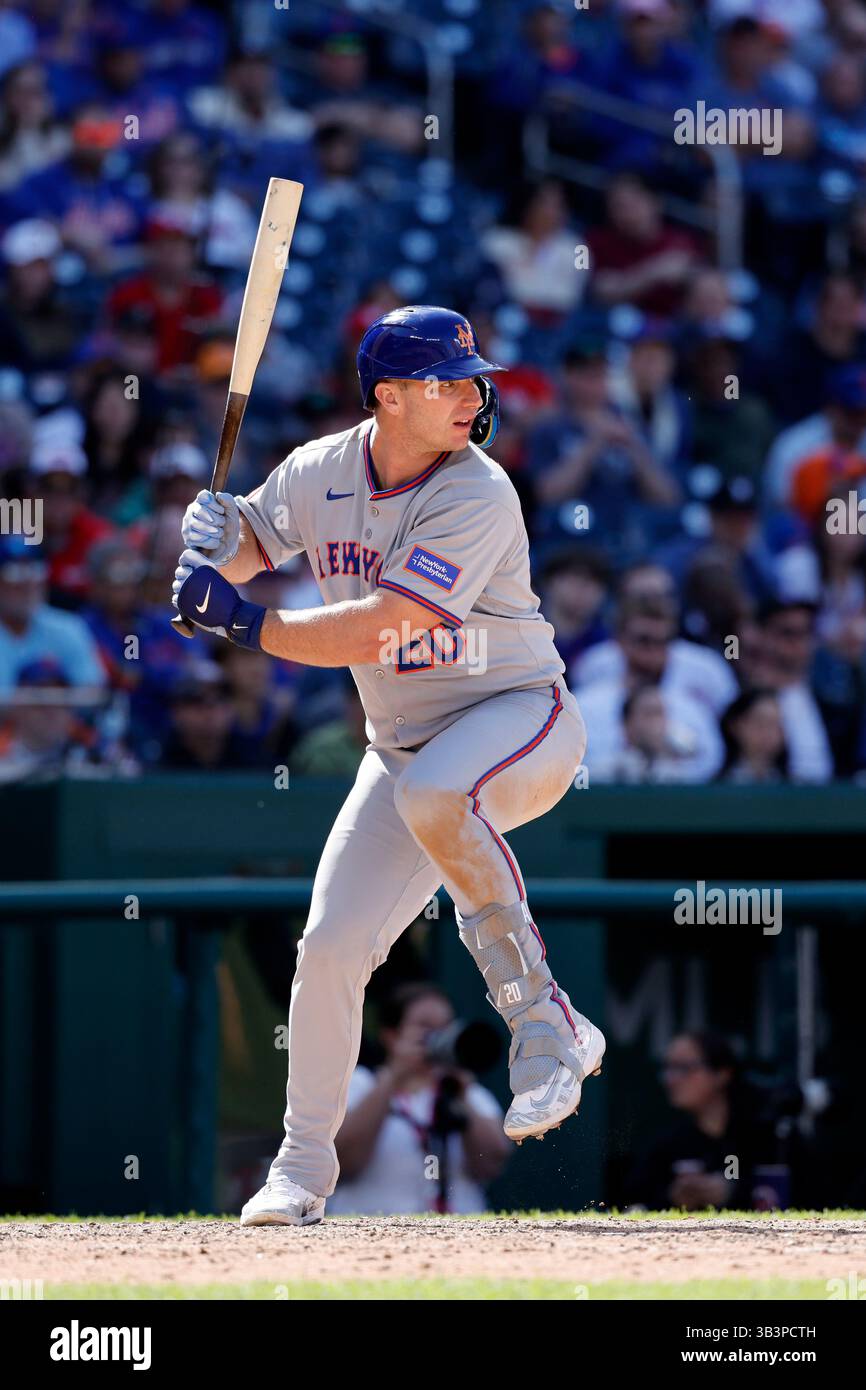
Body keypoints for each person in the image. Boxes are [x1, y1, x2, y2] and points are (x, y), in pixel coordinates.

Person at [172, 305, 606, 1227]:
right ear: (387, 397)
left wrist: (241, 620)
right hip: (401, 751)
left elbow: (386, 625)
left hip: (519, 717)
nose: (469, 395)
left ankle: (543, 1021)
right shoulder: (322, 468)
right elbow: (255, 542)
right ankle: (299, 1170)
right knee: (328, 949)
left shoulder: (478, 490)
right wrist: (218, 545)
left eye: (470, 378)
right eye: (444, 382)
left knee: (440, 789)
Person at [329, 983, 509, 1215]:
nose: (438, 1037)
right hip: (371, 1228)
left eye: (446, 1028)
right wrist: (394, 1077)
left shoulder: (467, 1091)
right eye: (425, 1027)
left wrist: (461, 1092)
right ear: (391, 1036)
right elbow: (342, 1162)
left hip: (459, 1237)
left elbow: (492, 1163)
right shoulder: (360, 1084)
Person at [625, 1031, 778, 1211]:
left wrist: (732, 1191)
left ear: (721, 1074)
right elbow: (632, 1206)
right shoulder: (667, 1146)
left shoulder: (763, 1138)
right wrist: (673, 1199)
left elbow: (795, 1197)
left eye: (683, 1068)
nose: (670, 1079)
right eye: (667, 1069)